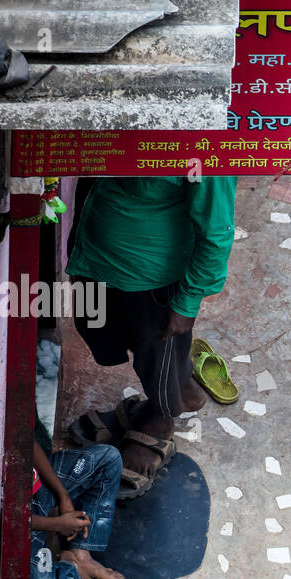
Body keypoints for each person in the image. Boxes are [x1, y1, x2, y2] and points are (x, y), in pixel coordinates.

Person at [65, 176, 238, 497]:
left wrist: (187, 302)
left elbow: (217, 231)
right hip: (97, 258)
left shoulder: (205, 146)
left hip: (153, 278)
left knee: (156, 354)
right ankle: (182, 383)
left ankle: (160, 418)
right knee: (103, 329)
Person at [29, 441, 128, 579]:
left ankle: (81, 553)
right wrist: (57, 523)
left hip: (37, 492)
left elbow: (30, 444)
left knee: (109, 458)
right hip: (15, 526)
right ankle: (68, 564)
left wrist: (63, 497)